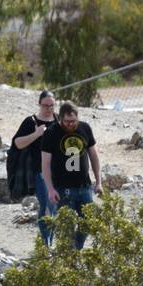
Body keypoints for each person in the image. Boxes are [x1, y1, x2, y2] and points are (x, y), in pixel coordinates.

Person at [40, 101, 101, 249]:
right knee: (66, 227)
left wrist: (99, 181)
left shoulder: (85, 128)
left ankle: (76, 249)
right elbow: (45, 164)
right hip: (62, 188)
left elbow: (94, 155)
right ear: (60, 118)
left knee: (88, 222)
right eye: (66, 121)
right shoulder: (51, 133)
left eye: (73, 121)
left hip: (84, 186)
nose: (70, 124)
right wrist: (50, 189)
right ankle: (69, 258)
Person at [11, 90, 58, 244]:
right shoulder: (30, 122)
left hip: (61, 172)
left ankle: (55, 243)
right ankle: (47, 244)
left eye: (52, 105)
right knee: (46, 205)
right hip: (40, 172)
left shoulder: (59, 121)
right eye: (46, 105)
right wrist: (37, 134)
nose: (49, 109)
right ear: (39, 104)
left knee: (57, 208)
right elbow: (17, 143)